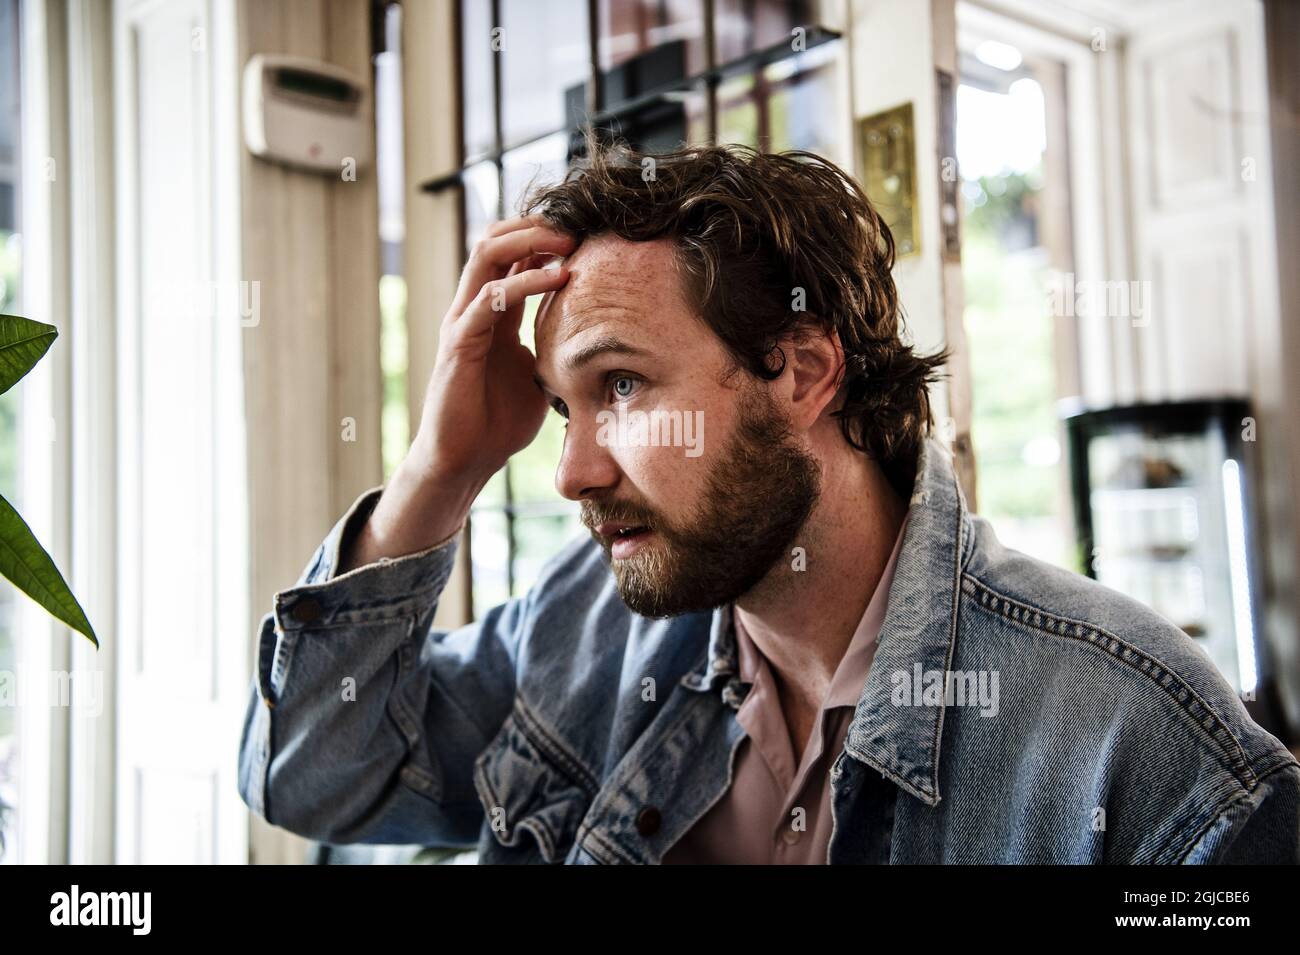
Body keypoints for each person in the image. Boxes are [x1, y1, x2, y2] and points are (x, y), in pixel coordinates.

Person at [237, 133, 1300, 864]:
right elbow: (316, 782)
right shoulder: (585, 627)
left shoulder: (1130, 731)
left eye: (621, 386)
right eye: (565, 410)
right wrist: (438, 472)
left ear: (799, 374)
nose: (572, 472)